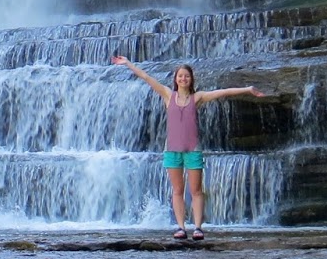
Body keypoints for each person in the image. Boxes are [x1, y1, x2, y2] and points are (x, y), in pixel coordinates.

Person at [111, 55, 264, 241]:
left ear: (191, 79)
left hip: (193, 149)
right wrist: (127, 63)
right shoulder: (168, 94)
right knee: (177, 190)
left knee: (196, 190)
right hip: (172, 150)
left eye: (187, 76)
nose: (183, 79)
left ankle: (198, 227)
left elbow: (223, 92)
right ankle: (181, 227)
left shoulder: (197, 98)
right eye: (180, 76)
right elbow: (146, 77)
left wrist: (247, 89)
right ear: (176, 79)